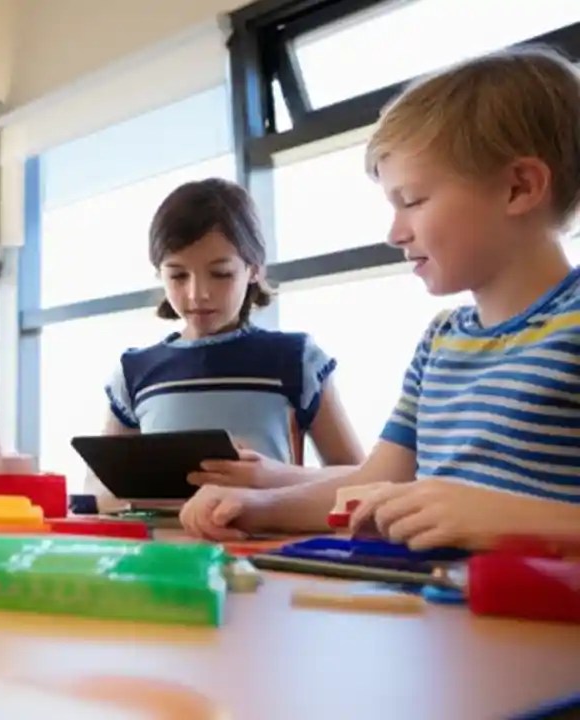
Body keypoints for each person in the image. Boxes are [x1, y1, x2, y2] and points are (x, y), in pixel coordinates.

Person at [180, 47, 580, 550]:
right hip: (438, 610)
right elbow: (376, 484)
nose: (395, 232)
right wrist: (258, 507)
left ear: (520, 188)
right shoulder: (441, 339)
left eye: (412, 201)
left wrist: (508, 518)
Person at [87, 179, 362, 511]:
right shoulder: (134, 371)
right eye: (177, 276)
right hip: (163, 549)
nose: (197, 293)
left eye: (220, 274)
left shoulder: (294, 359)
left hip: (263, 543)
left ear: (254, 270)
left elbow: (361, 477)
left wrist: (274, 477)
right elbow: (97, 487)